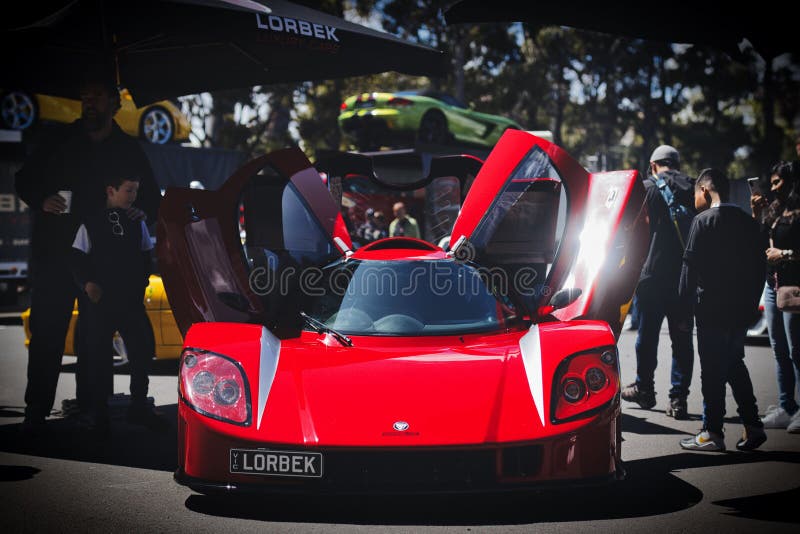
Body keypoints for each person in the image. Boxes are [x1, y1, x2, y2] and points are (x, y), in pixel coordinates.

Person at [14, 66, 161, 433]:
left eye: (97, 96)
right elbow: (24, 179)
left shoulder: (127, 148)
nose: (89, 102)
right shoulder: (59, 140)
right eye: (85, 97)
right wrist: (40, 198)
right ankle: (36, 412)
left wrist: (142, 210)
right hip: (54, 255)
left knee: (93, 339)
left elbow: (153, 198)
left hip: (103, 265)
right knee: (48, 333)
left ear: (114, 103)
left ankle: (90, 408)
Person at [678, 168, 767, 451]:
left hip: (711, 309)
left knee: (712, 371)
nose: (694, 199)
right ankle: (753, 425)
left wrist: (683, 311)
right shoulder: (747, 222)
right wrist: (752, 306)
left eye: (695, 193)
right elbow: (759, 269)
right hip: (740, 310)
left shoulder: (702, 222)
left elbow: (688, 272)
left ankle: (712, 432)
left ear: (704, 190)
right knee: (733, 363)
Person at [71, 174, 166, 434]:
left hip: (130, 301)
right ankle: (99, 413)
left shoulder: (138, 223)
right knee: (98, 357)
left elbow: (147, 254)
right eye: (128, 190)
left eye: (135, 191)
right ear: (111, 190)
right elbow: (77, 258)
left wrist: (141, 283)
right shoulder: (91, 223)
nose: (133, 196)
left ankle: (138, 406)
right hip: (101, 303)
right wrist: (88, 284)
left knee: (142, 350)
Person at [622, 145, 695, 419]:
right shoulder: (693, 187)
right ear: (676, 163)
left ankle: (645, 388)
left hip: (651, 278)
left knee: (647, 336)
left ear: (653, 165)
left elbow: (630, 231)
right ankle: (678, 400)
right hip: (684, 279)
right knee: (683, 338)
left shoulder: (646, 188)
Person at [751, 160, 800, 433]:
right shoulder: (774, 210)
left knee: (796, 350)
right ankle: (786, 406)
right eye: (771, 183)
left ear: (792, 182)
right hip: (772, 286)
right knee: (779, 349)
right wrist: (757, 214)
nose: (773, 187)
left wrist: (786, 254)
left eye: (777, 182)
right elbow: (757, 243)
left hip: (794, 286)